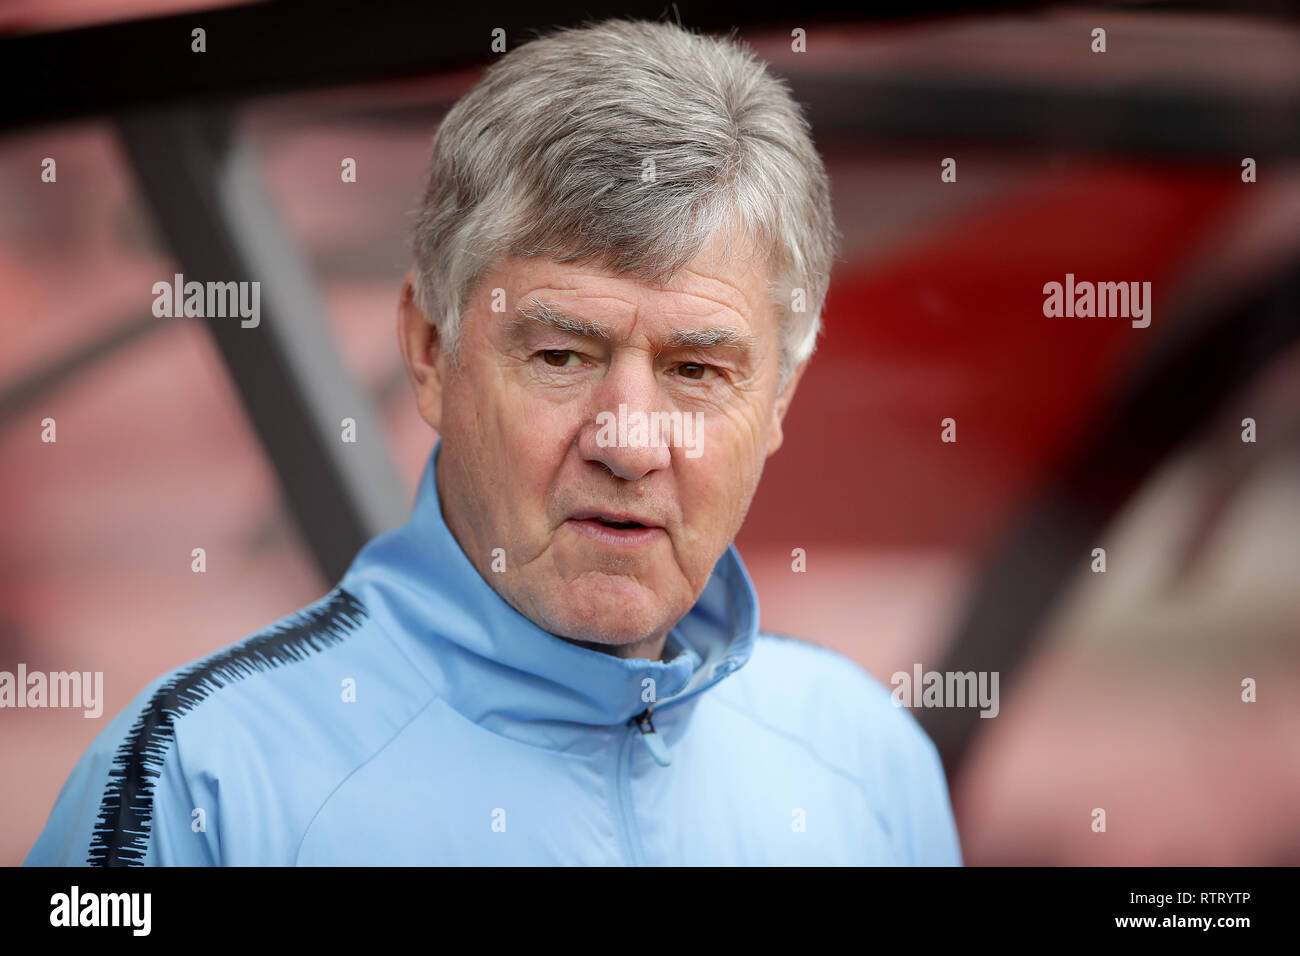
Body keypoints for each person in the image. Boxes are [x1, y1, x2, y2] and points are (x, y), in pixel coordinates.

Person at [26, 18, 961, 866]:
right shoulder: (204, 784)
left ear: (781, 399)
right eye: (562, 354)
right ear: (431, 348)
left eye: (696, 371)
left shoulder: (865, 761)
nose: (628, 444)